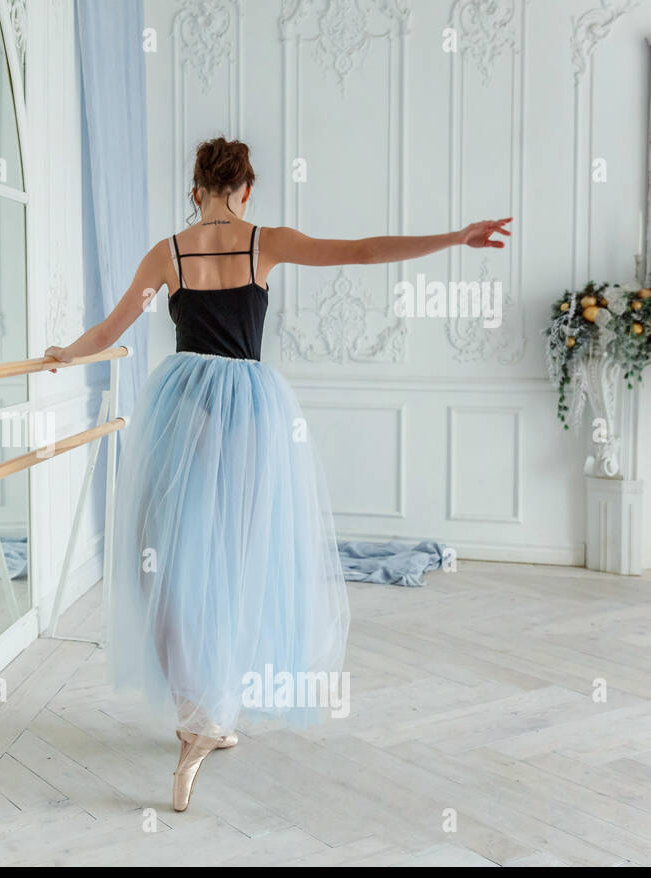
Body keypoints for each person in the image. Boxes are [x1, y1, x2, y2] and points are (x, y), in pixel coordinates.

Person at [44, 138, 510, 811]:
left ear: (194, 187)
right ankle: (208, 716)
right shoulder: (266, 242)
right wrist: (456, 237)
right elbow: (362, 251)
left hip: (183, 407)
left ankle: (196, 714)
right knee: (233, 558)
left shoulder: (167, 252)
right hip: (250, 413)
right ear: (246, 189)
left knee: (169, 560)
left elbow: (110, 328)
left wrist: (62, 353)